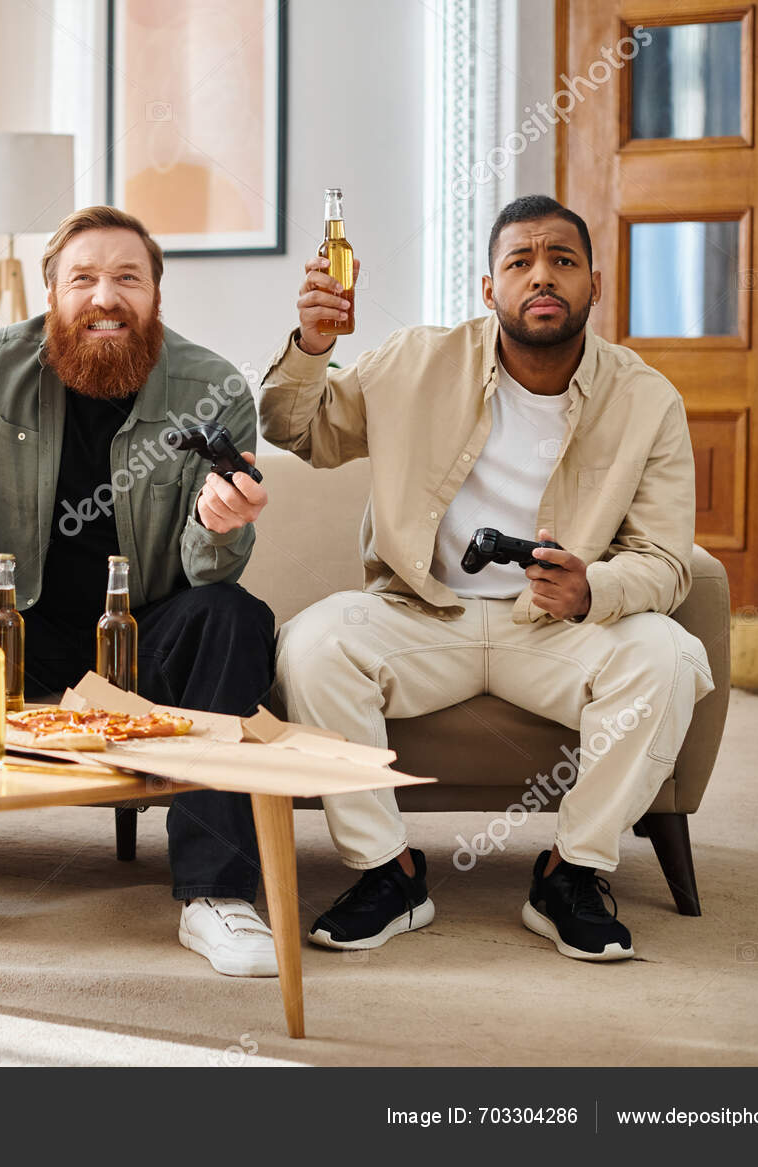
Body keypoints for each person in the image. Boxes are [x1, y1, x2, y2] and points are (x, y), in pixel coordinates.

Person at [0, 205, 281, 977]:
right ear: (53, 293)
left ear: (156, 294)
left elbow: (210, 572)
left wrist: (219, 523)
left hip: (144, 639)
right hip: (14, 636)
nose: (105, 296)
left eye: (127, 277)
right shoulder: (1, 365)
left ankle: (218, 895)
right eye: (84, 278)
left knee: (236, 616)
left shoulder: (213, 386)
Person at [261, 195, 715, 962]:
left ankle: (571, 872)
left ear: (594, 285)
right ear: (488, 288)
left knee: (668, 656)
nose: (543, 277)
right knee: (311, 645)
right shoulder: (414, 360)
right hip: (421, 613)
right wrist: (312, 344)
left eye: (563, 261)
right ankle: (389, 871)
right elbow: (294, 428)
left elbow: (667, 561)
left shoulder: (647, 400)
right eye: (521, 262)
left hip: (558, 628)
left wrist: (592, 588)